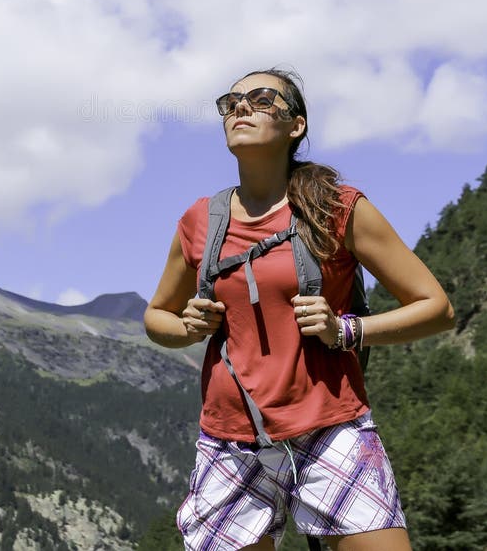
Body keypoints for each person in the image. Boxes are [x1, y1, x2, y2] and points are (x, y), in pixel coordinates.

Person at [144, 68, 455, 551]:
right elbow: (156, 317)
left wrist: (346, 330)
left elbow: (436, 307)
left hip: (332, 426)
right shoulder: (200, 220)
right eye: (231, 102)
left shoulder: (336, 207)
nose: (241, 107)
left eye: (262, 98)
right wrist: (186, 328)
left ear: (297, 126)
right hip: (230, 440)